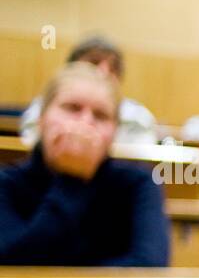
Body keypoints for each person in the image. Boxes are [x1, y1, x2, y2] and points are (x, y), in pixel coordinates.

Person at [0, 63, 168, 266]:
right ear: (42, 119)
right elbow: (12, 266)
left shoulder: (138, 185)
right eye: (72, 108)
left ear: (114, 131)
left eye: (100, 115)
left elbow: (149, 267)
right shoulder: (7, 184)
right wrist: (73, 180)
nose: (85, 122)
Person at [20, 36, 157, 146]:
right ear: (70, 69)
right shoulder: (43, 106)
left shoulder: (138, 116)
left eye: (113, 67)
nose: (103, 72)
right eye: (93, 63)